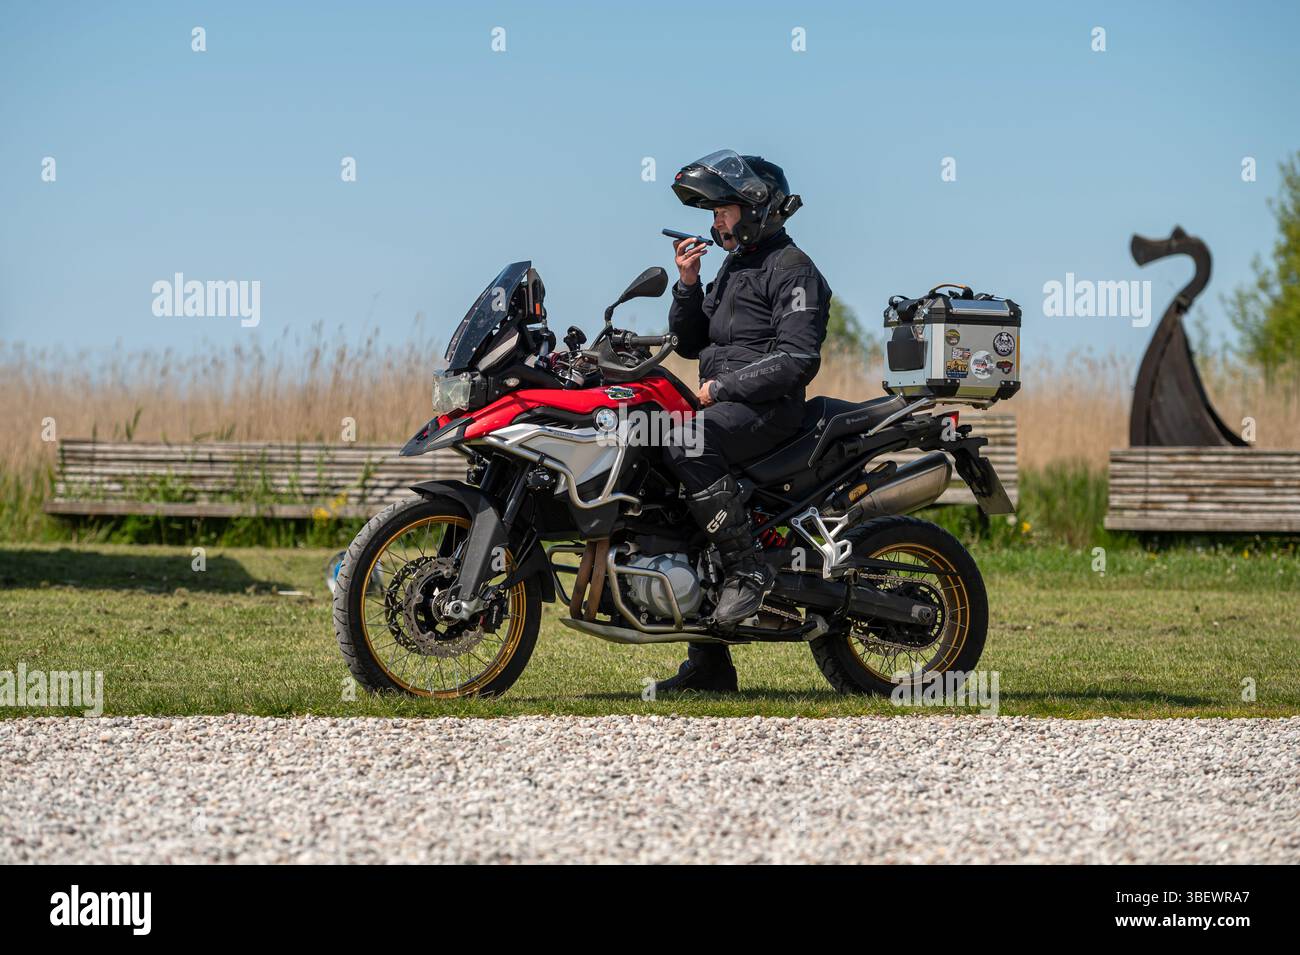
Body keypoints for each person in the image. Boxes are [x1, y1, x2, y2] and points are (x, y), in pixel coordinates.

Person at [655, 150, 832, 693]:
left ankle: (748, 569)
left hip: (769, 410)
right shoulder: (735, 267)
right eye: (714, 214)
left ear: (758, 208)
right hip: (728, 407)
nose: (716, 223)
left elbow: (797, 359)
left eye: (723, 211)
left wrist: (720, 388)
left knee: (685, 440)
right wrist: (688, 284)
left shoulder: (793, 268)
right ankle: (710, 665)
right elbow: (692, 342)